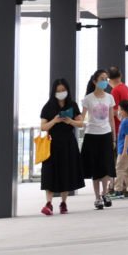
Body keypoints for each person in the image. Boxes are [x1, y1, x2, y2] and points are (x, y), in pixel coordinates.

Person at [37, 77, 84, 215]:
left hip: (68, 143)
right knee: (49, 173)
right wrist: (55, 121)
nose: (61, 93)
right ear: (54, 92)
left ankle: (63, 203)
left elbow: (81, 123)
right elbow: (43, 127)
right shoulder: (48, 106)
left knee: (66, 172)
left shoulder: (73, 105)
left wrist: (70, 121)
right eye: (58, 91)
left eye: (63, 90)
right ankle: (48, 203)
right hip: (51, 143)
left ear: (67, 90)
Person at [81, 69, 119, 209]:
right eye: (102, 79)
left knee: (106, 166)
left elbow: (111, 119)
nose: (105, 81)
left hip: (106, 135)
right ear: (94, 81)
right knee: (96, 168)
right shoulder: (88, 98)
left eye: (106, 79)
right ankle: (97, 197)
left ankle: (105, 193)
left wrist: (113, 138)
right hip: (91, 135)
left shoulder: (109, 97)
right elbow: (82, 117)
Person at [107, 66, 128, 198]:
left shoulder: (115, 91)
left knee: (118, 165)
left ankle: (117, 188)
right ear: (120, 76)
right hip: (123, 129)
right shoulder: (126, 88)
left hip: (118, 129)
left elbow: (113, 111)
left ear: (109, 79)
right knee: (127, 166)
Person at [113, 98, 128, 202]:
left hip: (125, 150)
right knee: (127, 170)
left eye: (119, 109)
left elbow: (127, 136)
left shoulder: (126, 122)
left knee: (119, 169)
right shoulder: (125, 120)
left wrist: (124, 150)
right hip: (126, 150)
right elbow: (119, 117)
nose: (118, 111)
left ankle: (118, 190)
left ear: (123, 110)